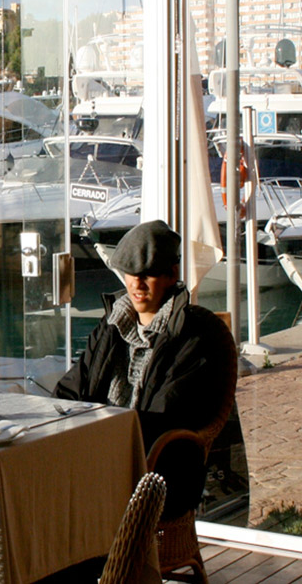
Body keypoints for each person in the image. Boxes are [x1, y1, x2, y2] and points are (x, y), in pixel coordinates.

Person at [54, 219, 238, 519]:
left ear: (172, 275)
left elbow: (164, 420)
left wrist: (92, 440)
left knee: (51, 498)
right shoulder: (110, 327)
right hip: (95, 457)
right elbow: (69, 391)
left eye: (148, 275)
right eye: (130, 274)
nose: (136, 285)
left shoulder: (194, 336)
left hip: (160, 475)